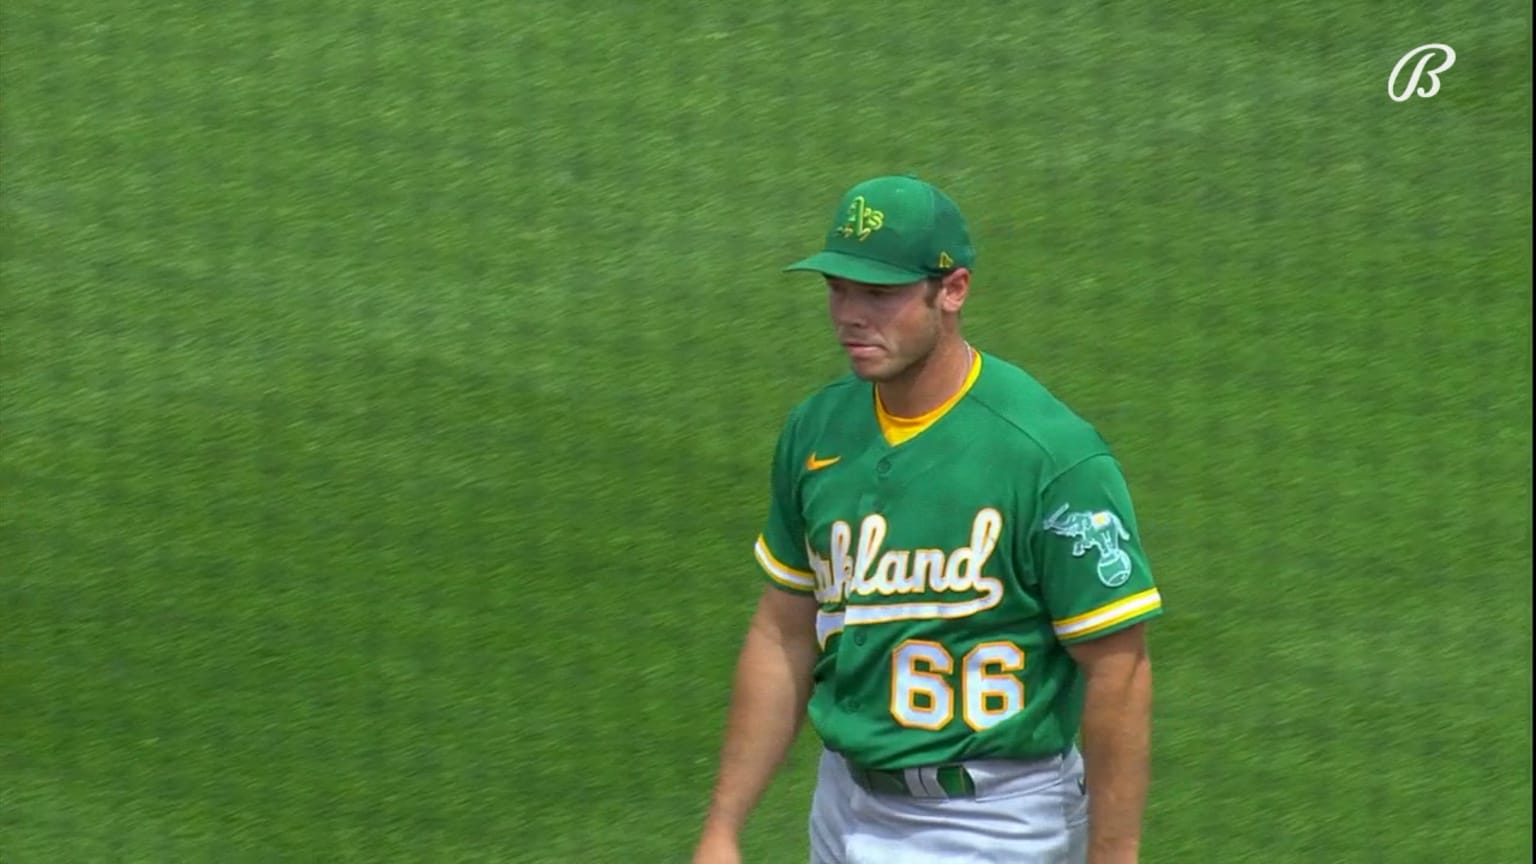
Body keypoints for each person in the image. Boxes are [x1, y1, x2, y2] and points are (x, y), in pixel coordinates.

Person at [691, 174, 1165, 864]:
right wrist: (723, 825)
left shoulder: (1048, 456)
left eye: (879, 294)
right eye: (837, 289)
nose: (851, 314)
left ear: (953, 290)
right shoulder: (818, 429)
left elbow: (1118, 669)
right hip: (843, 805)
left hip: (996, 823)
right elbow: (784, 629)